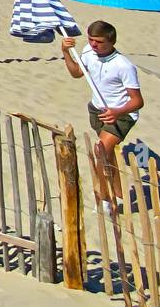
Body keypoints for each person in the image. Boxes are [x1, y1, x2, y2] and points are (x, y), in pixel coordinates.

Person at [61, 21, 144, 211]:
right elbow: (76, 73)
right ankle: (120, 193)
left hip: (122, 115)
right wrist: (66, 52)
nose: (93, 45)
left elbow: (137, 101)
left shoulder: (124, 66)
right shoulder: (88, 53)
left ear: (111, 41)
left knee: (100, 150)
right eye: (90, 40)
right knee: (107, 153)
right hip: (97, 110)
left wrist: (117, 112)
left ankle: (104, 198)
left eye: (98, 41)